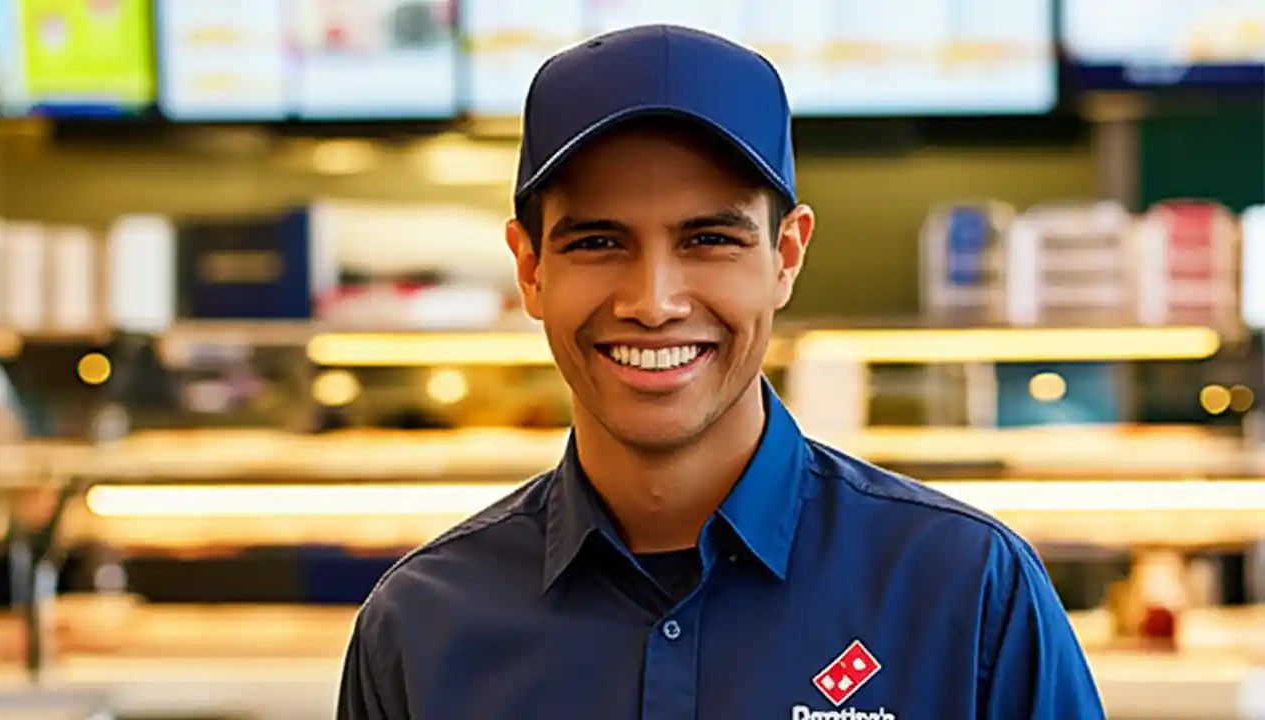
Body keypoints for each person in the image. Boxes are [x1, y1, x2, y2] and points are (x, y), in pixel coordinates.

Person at [338, 24, 1105, 719]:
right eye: (598, 242)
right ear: (530, 268)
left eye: (708, 239)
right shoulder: (418, 630)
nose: (653, 302)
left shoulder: (968, 595)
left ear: (786, 256)